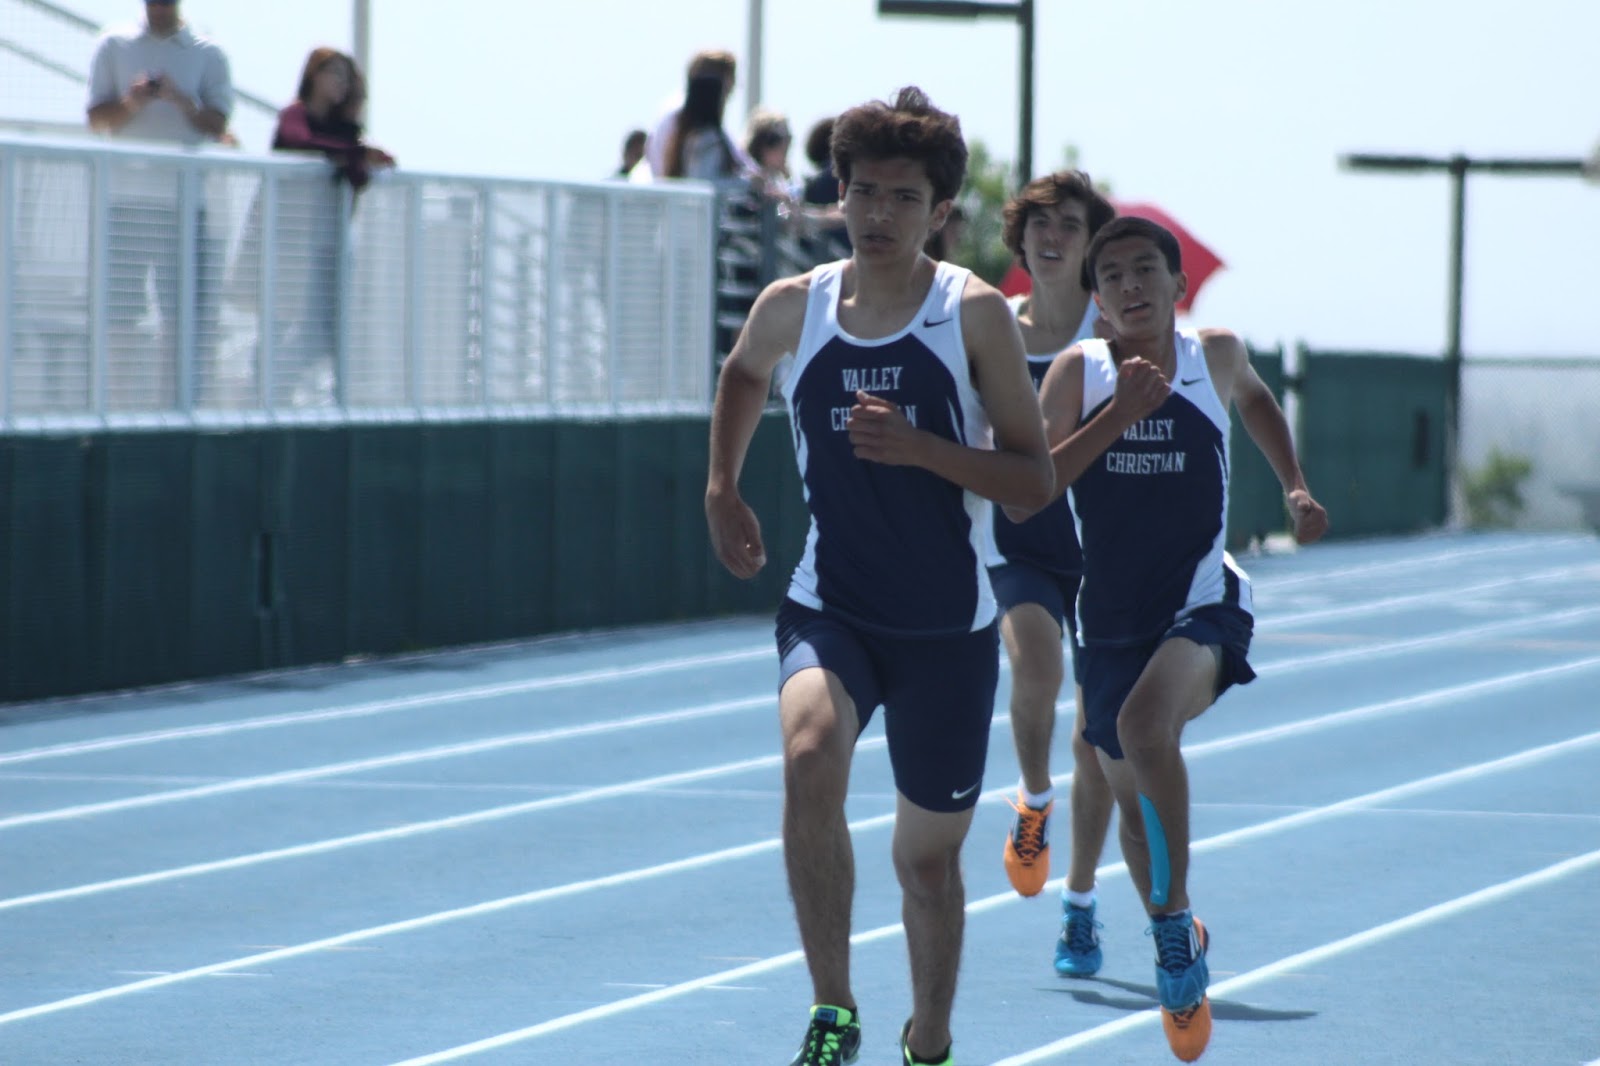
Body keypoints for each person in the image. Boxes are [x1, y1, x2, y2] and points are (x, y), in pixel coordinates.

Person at [705, 86, 1053, 1066]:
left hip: (946, 629)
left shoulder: (970, 314)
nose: (878, 215)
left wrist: (920, 450)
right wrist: (721, 486)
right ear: (840, 194)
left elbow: (1032, 481)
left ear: (939, 210)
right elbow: (741, 372)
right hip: (834, 604)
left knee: (926, 865)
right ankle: (832, 1010)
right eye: (863, 192)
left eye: (903, 198)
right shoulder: (796, 305)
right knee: (810, 754)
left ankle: (929, 1037)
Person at [1029, 215, 1329, 1061]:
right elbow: (1039, 482)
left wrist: (1295, 488)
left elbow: (1259, 401)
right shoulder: (1076, 375)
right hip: (1110, 619)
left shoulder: (1215, 355)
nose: (1129, 286)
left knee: (1141, 728)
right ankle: (1174, 922)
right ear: (1095, 298)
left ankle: (1168, 931)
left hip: (1201, 600)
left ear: (1176, 286)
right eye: (1112, 275)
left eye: (1144, 271)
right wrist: (1119, 414)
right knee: (1133, 807)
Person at [981, 173, 1119, 984]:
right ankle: (1034, 801)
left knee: (1098, 733)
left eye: (1069, 223)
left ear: (1090, 241)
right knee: (1036, 667)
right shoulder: (992, 327)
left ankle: (1080, 901)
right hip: (1021, 540)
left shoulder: (1119, 335)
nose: (1052, 235)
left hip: (1109, 554)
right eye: (1038, 223)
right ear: (1021, 239)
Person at [86, 0, 233, 408]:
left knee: (182, 316)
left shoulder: (207, 51)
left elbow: (218, 124)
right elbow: (98, 119)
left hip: (186, 206)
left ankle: (176, 406)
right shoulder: (113, 45)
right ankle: (116, 407)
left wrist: (181, 101)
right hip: (125, 202)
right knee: (120, 314)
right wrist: (133, 101)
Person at [265, 47, 394, 406]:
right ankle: (268, 393)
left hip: (327, 243)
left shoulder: (346, 130)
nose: (341, 83)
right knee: (281, 323)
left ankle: (279, 390)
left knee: (324, 331)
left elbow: (357, 177)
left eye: (346, 77)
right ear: (314, 76)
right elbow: (298, 140)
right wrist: (352, 153)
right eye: (333, 73)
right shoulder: (296, 114)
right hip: (288, 242)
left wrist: (362, 156)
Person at [642, 49, 754, 180]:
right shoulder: (680, 119)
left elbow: (742, 163)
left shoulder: (705, 125)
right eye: (730, 80)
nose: (733, 89)